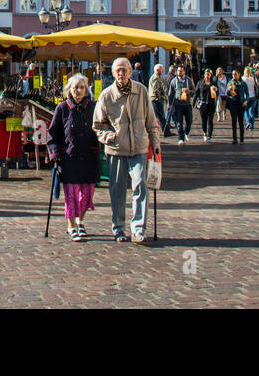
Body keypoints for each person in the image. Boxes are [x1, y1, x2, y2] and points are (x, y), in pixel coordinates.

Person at [92, 58, 160, 243]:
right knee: (117, 190)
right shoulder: (106, 95)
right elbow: (97, 126)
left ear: (130, 71)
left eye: (124, 70)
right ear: (112, 73)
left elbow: (151, 121)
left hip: (139, 147)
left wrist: (155, 142)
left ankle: (138, 228)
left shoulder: (141, 91)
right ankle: (119, 228)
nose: (121, 74)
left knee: (140, 185)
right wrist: (110, 138)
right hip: (116, 149)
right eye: (118, 71)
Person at [47, 74, 100, 241]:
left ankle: (80, 221)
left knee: (87, 194)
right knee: (71, 195)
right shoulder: (62, 108)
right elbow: (53, 133)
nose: (78, 91)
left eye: (82, 87)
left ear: (86, 90)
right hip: (69, 158)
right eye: (75, 87)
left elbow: (101, 126)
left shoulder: (93, 107)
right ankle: (71, 226)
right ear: (69, 90)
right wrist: (54, 153)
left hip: (89, 158)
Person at [167, 66, 193, 143]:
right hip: (178, 104)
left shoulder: (189, 80)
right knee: (179, 122)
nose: (179, 72)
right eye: (178, 71)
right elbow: (170, 93)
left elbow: (194, 91)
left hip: (187, 104)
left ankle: (186, 132)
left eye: (181, 71)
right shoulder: (174, 81)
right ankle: (180, 138)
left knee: (189, 120)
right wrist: (170, 104)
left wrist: (189, 92)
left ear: (184, 71)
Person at [148, 63, 172, 136]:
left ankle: (163, 131)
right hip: (156, 100)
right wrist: (160, 98)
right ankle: (166, 132)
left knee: (158, 116)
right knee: (161, 116)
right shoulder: (155, 78)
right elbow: (156, 89)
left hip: (155, 99)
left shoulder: (157, 77)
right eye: (162, 69)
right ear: (158, 70)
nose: (163, 70)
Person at [226, 69, 249, 144]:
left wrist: (246, 100)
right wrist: (228, 91)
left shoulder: (243, 83)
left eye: (235, 74)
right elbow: (227, 94)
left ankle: (242, 138)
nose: (234, 75)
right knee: (234, 121)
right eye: (233, 74)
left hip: (241, 103)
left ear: (239, 74)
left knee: (241, 121)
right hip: (233, 103)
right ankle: (234, 138)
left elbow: (247, 93)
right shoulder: (230, 83)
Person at [194, 70, 218, 142]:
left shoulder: (213, 83)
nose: (207, 76)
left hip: (211, 103)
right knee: (204, 120)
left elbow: (217, 93)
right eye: (206, 74)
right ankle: (205, 133)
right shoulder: (200, 82)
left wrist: (216, 90)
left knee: (210, 120)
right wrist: (193, 101)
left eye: (209, 74)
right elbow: (197, 92)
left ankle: (209, 136)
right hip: (203, 103)